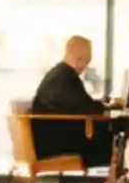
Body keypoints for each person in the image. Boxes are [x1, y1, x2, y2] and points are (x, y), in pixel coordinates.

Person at [29, 35, 116, 167]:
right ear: (79, 59)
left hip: (51, 137)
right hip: (55, 144)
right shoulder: (65, 78)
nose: (86, 66)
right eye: (87, 60)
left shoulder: (59, 74)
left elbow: (80, 103)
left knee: (108, 137)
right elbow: (87, 108)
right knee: (113, 143)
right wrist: (108, 107)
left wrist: (105, 104)